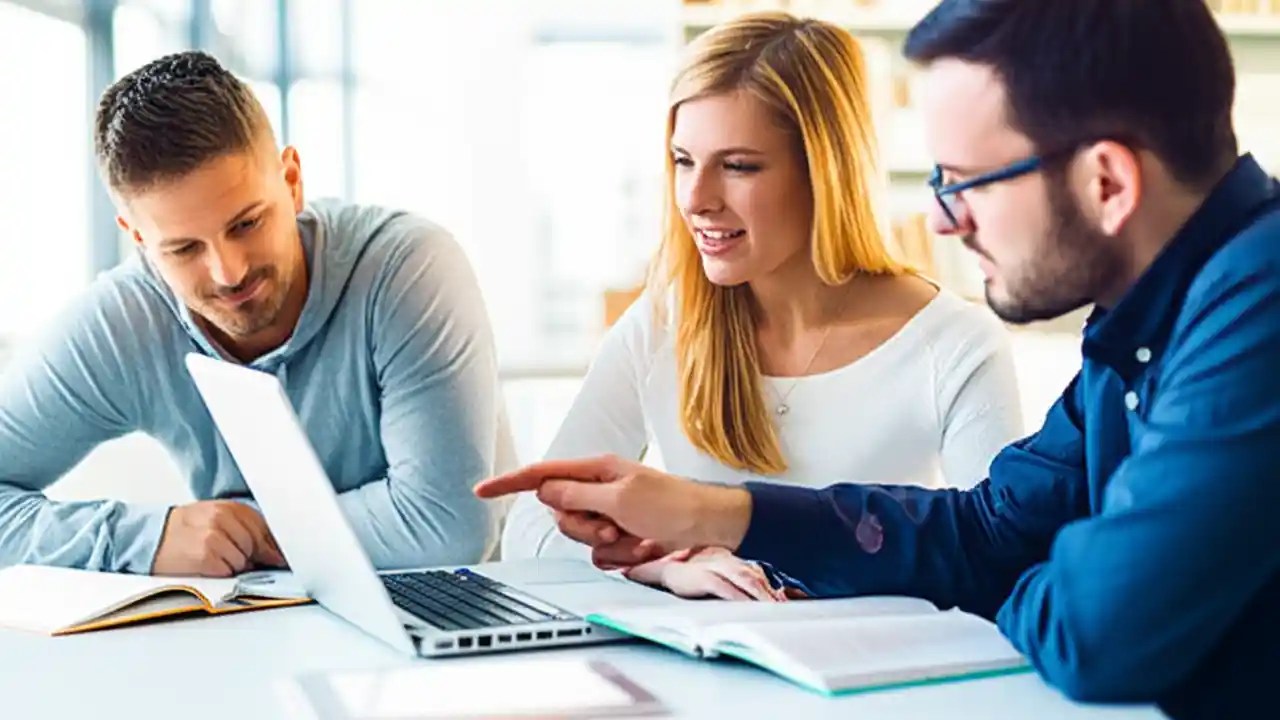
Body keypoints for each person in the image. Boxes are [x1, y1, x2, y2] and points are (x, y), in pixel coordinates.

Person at [477, 1, 1280, 716]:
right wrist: (719, 517)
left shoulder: (1258, 308)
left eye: (968, 181)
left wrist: (1044, 582)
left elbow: (1099, 633)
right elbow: (990, 529)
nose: (939, 220)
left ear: (1106, 181)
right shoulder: (1143, 323)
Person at [500, 12, 1023, 600]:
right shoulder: (665, 320)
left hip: (870, 678)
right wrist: (666, 566)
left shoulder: (953, 344)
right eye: (683, 161)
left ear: (825, 173)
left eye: (738, 166)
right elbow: (529, 532)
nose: (696, 200)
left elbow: (999, 560)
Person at [0, 51, 509, 578]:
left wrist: (239, 531)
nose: (228, 272)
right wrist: (144, 540)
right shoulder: (123, 324)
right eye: (183, 250)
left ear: (291, 182)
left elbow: (444, 527)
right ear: (137, 240)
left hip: (443, 627)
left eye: (246, 224)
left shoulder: (407, 269)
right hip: (250, 633)